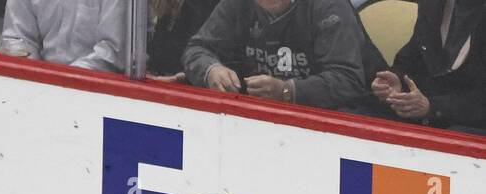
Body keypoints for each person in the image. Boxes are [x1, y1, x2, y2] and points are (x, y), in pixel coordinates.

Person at [183, 0, 369, 109]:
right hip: (253, 116)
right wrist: (211, 70)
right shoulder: (237, 4)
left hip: (329, 123)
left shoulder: (330, 7)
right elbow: (197, 48)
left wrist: (287, 91)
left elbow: (349, 80)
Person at [371, 0, 486, 131]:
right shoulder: (434, 5)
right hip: (427, 118)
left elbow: (480, 101)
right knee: (365, 118)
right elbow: (411, 59)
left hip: (469, 125)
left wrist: (433, 107)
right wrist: (396, 84)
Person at [0, 0, 129, 72]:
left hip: (99, 95)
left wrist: (63, 82)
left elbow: (112, 53)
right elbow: (16, 40)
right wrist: (34, 77)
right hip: (38, 90)